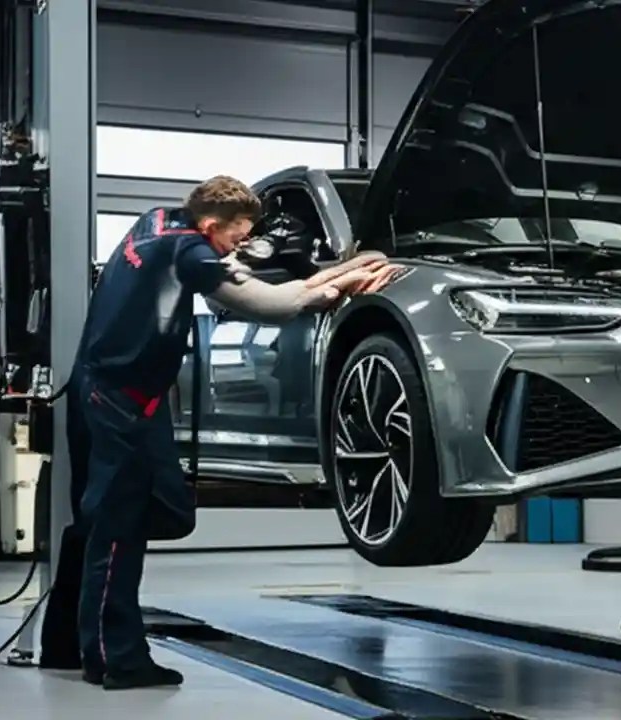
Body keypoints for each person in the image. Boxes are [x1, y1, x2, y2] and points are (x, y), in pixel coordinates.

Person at [38, 176, 399, 690]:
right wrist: (334, 286)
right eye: (236, 234)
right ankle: (115, 658)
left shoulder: (157, 222)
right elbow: (267, 304)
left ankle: (64, 645)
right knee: (119, 525)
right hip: (122, 401)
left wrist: (329, 268)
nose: (241, 243)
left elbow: (224, 263)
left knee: (102, 518)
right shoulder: (190, 252)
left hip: (98, 387)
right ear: (210, 225)